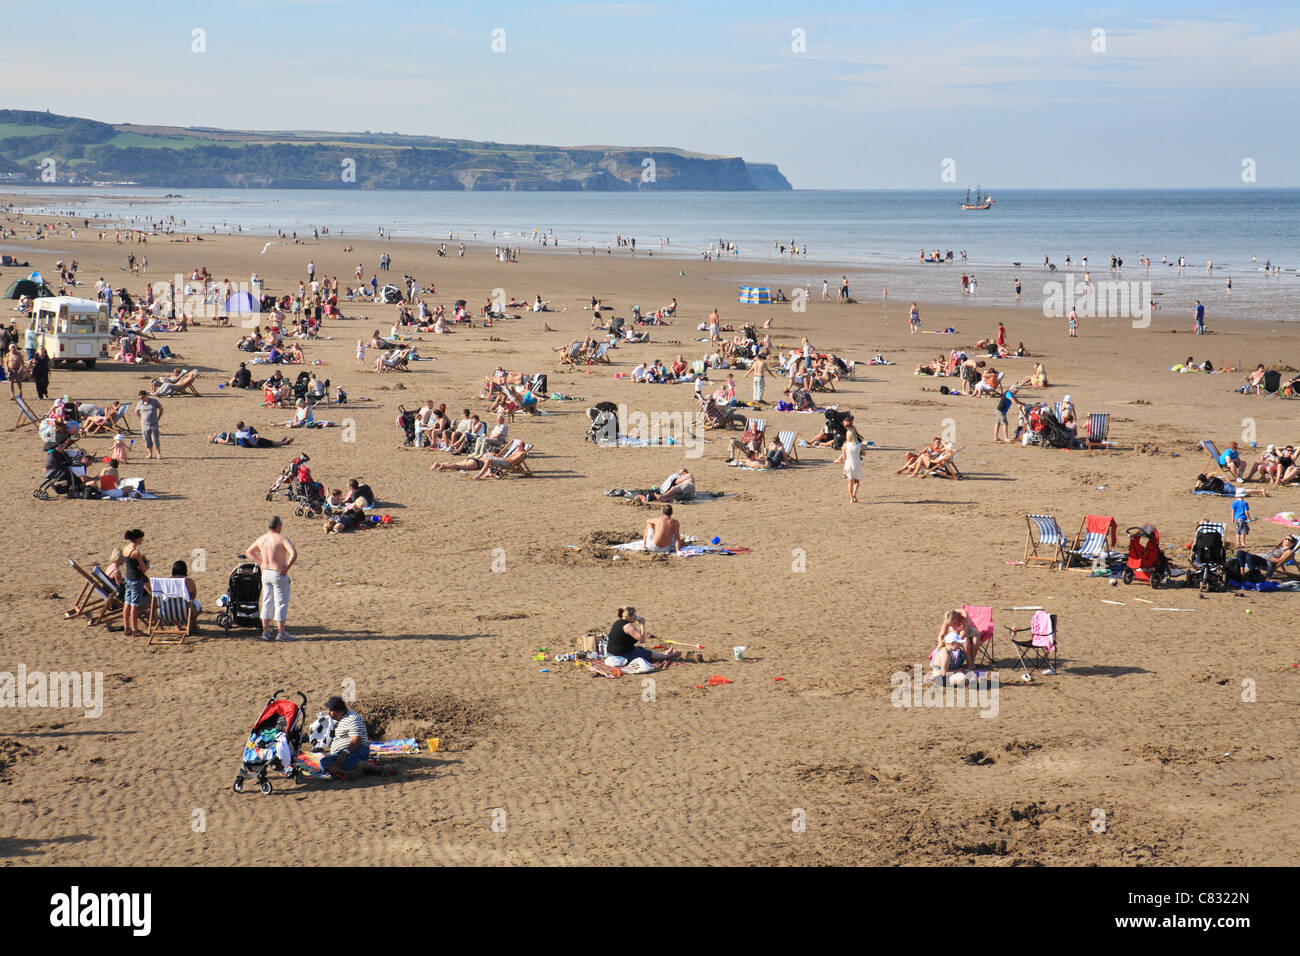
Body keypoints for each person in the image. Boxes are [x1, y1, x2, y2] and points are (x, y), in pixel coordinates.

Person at [246, 516, 297, 642]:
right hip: (278, 572)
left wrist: (260, 563)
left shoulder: (262, 539)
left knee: (267, 601)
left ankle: (266, 631)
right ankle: (281, 633)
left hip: (266, 573)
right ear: (279, 526)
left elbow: (249, 552)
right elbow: (294, 554)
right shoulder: (281, 538)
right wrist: (287, 567)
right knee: (280, 603)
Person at [317, 696, 373, 779]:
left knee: (349, 759)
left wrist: (345, 752)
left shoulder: (353, 719)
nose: (328, 713)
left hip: (357, 749)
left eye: (331, 710)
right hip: (339, 752)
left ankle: (377, 769)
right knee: (324, 762)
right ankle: (348, 772)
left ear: (340, 711)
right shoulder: (333, 719)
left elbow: (356, 741)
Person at [605, 607, 679, 666]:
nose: (636, 617)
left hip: (612, 653)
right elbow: (642, 639)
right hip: (621, 656)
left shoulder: (618, 622)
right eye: (635, 615)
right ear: (630, 617)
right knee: (645, 653)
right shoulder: (628, 627)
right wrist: (642, 624)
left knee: (640, 649)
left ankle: (663, 654)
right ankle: (667, 656)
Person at [121, 529, 150, 638]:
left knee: (127, 604)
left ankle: (126, 628)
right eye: (141, 538)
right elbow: (143, 569)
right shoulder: (136, 552)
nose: (142, 540)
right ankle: (135, 630)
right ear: (137, 538)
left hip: (128, 578)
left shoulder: (125, 549)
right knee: (135, 605)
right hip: (136, 580)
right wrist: (147, 565)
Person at [171, 559, 201, 631]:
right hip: (185, 610)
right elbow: (193, 596)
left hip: (167, 611)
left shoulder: (166, 581)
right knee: (197, 605)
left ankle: (177, 625)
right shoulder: (189, 581)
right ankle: (191, 624)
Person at [835, 424, 862, 503]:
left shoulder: (845, 445)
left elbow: (843, 457)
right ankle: (854, 494)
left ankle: (851, 498)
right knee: (857, 481)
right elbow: (863, 453)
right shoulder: (859, 444)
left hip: (848, 465)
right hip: (857, 465)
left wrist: (838, 461)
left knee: (850, 482)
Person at [135, 389, 163, 459]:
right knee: (147, 439)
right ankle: (150, 454)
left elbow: (161, 408)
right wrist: (141, 418)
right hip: (144, 425)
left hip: (154, 423)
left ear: (146, 396)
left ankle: (158, 454)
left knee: (155, 439)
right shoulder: (140, 403)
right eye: (139, 398)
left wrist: (158, 417)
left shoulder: (154, 401)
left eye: (142, 397)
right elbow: (136, 411)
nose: (141, 399)